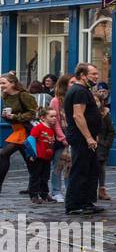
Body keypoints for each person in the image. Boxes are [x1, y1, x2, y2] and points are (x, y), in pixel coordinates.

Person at [64, 63, 104, 216]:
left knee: (91, 170)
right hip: (81, 139)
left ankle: (87, 202)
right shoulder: (79, 91)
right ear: (82, 75)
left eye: (96, 73)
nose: (96, 76)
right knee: (80, 170)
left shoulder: (84, 90)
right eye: (93, 74)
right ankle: (74, 204)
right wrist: (88, 137)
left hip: (88, 138)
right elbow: (78, 115)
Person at [0, 72, 38, 195]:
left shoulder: (24, 95)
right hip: (16, 129)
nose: (1, 85)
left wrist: (16, 116)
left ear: (13, 83)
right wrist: (6, 117)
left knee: (3, 154)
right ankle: (34, 188)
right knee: (29, 160)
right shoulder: (5, 96)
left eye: (3, 83)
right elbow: (11, 117)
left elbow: (34, 113)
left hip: (26, 130)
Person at [27, 105, 59, 204]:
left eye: (55, 116)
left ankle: (44, 194)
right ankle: (34, 195)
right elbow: (30, 141)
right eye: (51, 116)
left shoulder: (52, 129)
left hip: (47, 158)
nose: (54, 118)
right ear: (43, 117)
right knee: (35, 176)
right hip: (37, 157)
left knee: (45, 177)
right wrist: (31, 154)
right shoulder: (38, 128)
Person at [48, 75, 71, 204]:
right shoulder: (56, 101)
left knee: (70, 165)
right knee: (58, 165)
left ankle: (69, 190)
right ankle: (56, 191)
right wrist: (62, 137)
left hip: (72, 136)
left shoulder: (73, 98)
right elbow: (55, 121)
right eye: (71, 82)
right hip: (59, 137)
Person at [94, 87, 114, 201]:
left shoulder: (105, 114)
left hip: (102, 147)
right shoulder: (85, 113)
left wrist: (106, 144)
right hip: (90, 145)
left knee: (101, 168)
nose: (95, 103)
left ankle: (102, 190)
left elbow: (111, 131)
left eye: (97, 101)